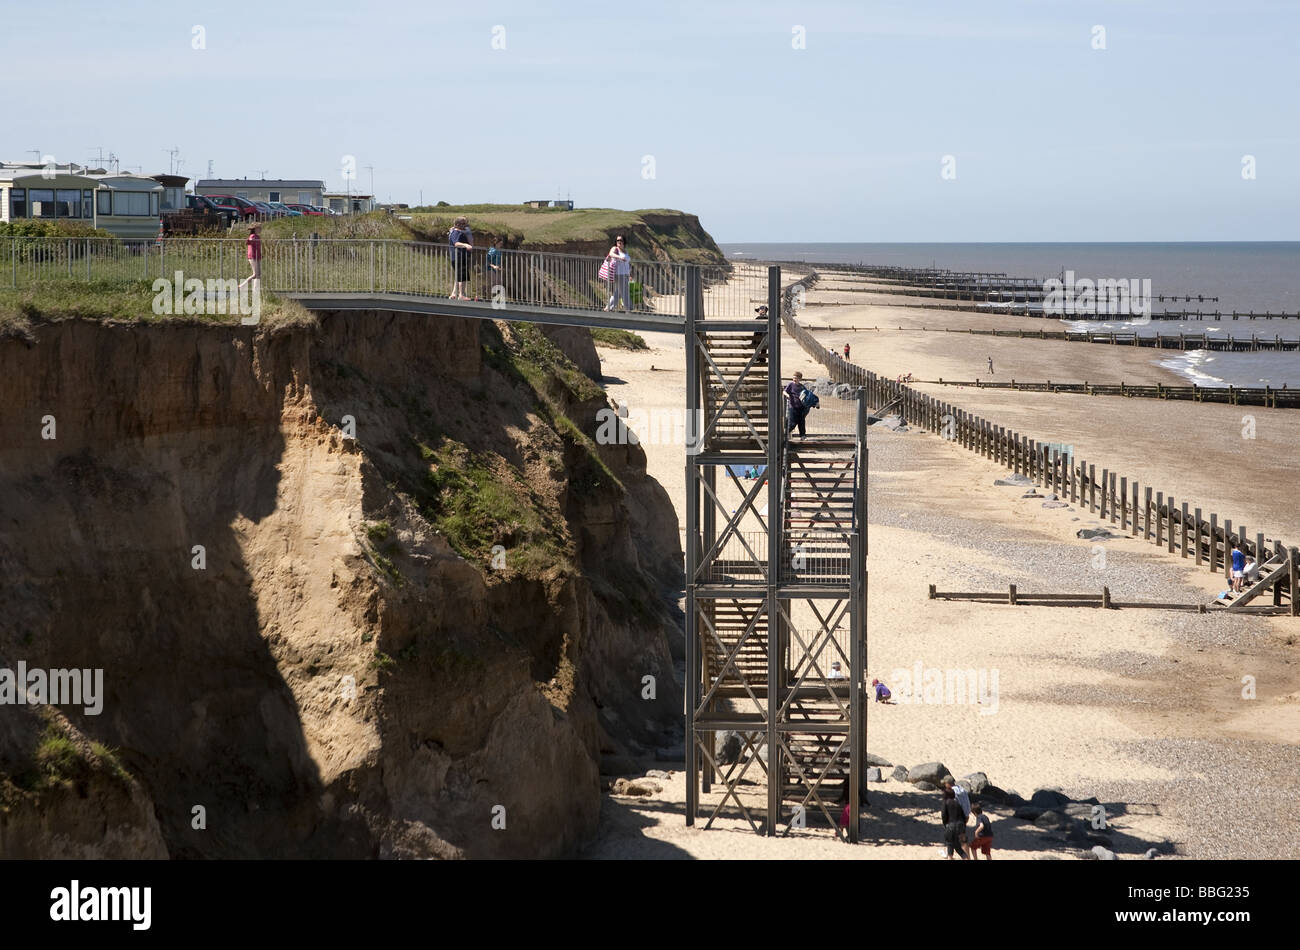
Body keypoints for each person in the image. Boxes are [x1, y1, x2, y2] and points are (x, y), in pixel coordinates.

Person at [448, 216, 473, 300]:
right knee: (463, 276)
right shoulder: (456, 232)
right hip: (459, 256)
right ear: (457, 224)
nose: (465, 226)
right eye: (463, 224)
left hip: (459, 256)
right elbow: (456, 243)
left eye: (466, 224)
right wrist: (465, 245)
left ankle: (454, 294)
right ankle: (461, 295)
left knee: (459, 276)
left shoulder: (458, 232)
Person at [604, 235, 631, 311]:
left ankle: (608, 308)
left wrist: (629, 273)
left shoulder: (625, 251)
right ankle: (629, 308)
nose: (619, 242)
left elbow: (627, 263)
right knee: (625, 291)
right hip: (618, 274)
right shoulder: (615, 249)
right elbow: (611, 254)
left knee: (618, 293)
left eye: (620, 240)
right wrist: (620, 257)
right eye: (617, 240)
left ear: (624, 241)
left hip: (625, 274)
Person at [940, 788, 968, 860]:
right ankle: (965, 857)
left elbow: (943, 815)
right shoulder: (957, 803)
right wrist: (964, 827)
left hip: (951, 825)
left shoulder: (945, 802)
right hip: (960, 825)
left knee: (950, 843)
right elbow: (963, 816)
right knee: (957, 846)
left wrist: (945, 824)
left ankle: (950, 857)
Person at [238, 223, 262, 294]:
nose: (260, 229)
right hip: (252, 256)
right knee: (255, 274)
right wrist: (250, 240)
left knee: (258, 274)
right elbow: (249, 241)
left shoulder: (258, 236)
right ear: (255, 229)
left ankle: (255, 290)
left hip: (257, 256)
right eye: (259, 228)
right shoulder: (252, 236)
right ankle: (242, 286)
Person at [784, 371, 808, 438]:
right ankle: (785, 434)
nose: (794, 379)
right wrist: (787, 395)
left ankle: (803, 435)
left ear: (799, 379)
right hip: (792, 407)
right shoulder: (790, 385)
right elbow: (784, 391)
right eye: (793, 378)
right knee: (792, 423)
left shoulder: (802, 387)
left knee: (801, 422)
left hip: (801, 407)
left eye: (796, 378)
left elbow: (806, 394)